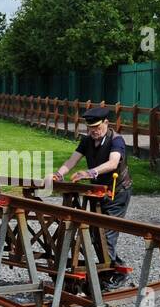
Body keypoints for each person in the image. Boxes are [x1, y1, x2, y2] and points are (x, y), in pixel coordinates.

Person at [48, 106, 132, 288]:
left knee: (106, 234)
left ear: (106, 123)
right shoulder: (87, 141)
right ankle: (113, 269)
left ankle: (115, 274)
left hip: (117, 193)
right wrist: (58, 174)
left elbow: (113, 163)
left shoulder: (116, 140)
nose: (93, 131)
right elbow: (72, 160)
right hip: (97, 192)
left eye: (97, 127)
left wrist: (90, 172)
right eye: (90, 128)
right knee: (95, 233)